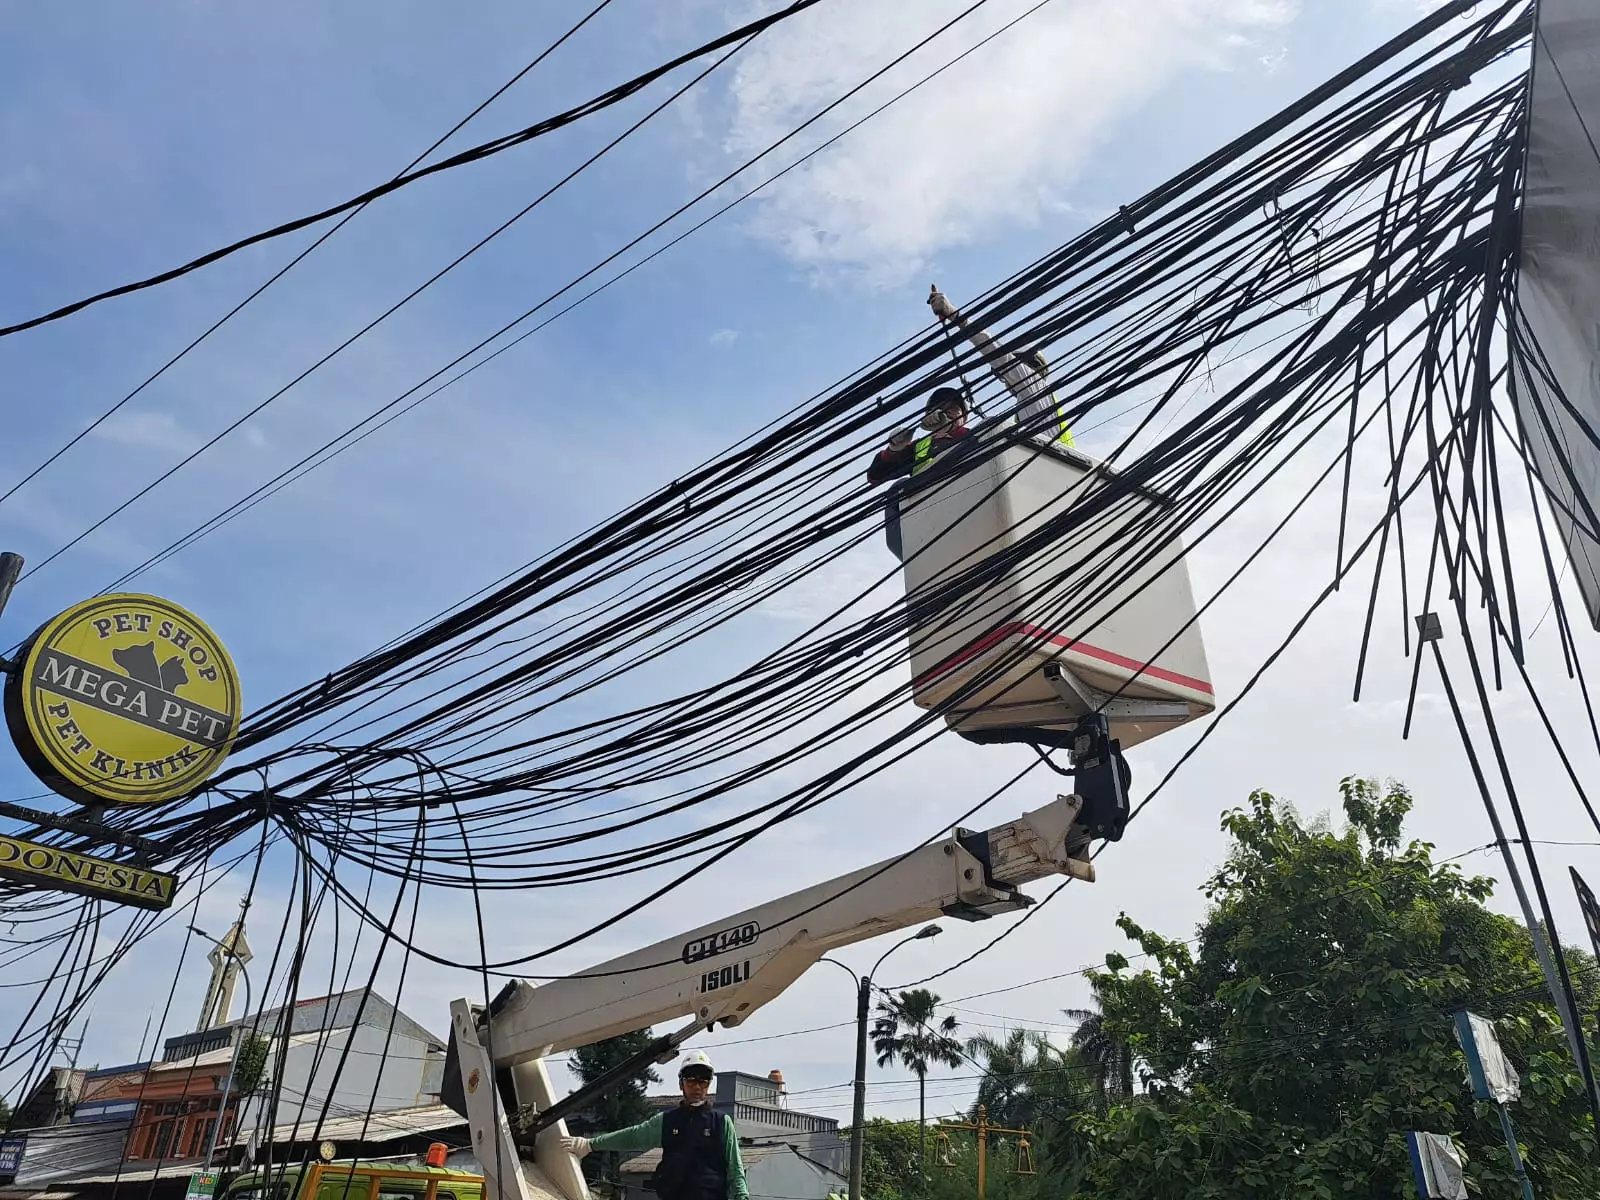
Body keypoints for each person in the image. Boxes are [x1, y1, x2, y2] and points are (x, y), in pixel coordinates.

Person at [560, 1050, 749, 1200]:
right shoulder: (667, 1121)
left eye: (703, 1081)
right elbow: (633, 1136)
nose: (697, 1087)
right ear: (681, 1084)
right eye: (691, 1081)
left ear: (708, 1085)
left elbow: (735, 1170)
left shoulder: (721, 1123)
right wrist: (590, 1144)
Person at [927, 285, 1075, 447]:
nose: (1005, 382)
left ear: (1032, 366)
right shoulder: (1029, 405)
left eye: (1004, 375)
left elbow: (994, 350)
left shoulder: (1034, 386)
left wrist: (953, 315)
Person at [865, 386, 973, 485]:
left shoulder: (978, 433)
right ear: (928, 417)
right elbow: (875, 477)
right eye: (937, 407)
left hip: (973, 492)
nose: (945, 411)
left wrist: (951, 429)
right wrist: (893, 449)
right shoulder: (918, 447)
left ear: (964, 417)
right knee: (899, 486)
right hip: (927, 500)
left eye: (953, 408)